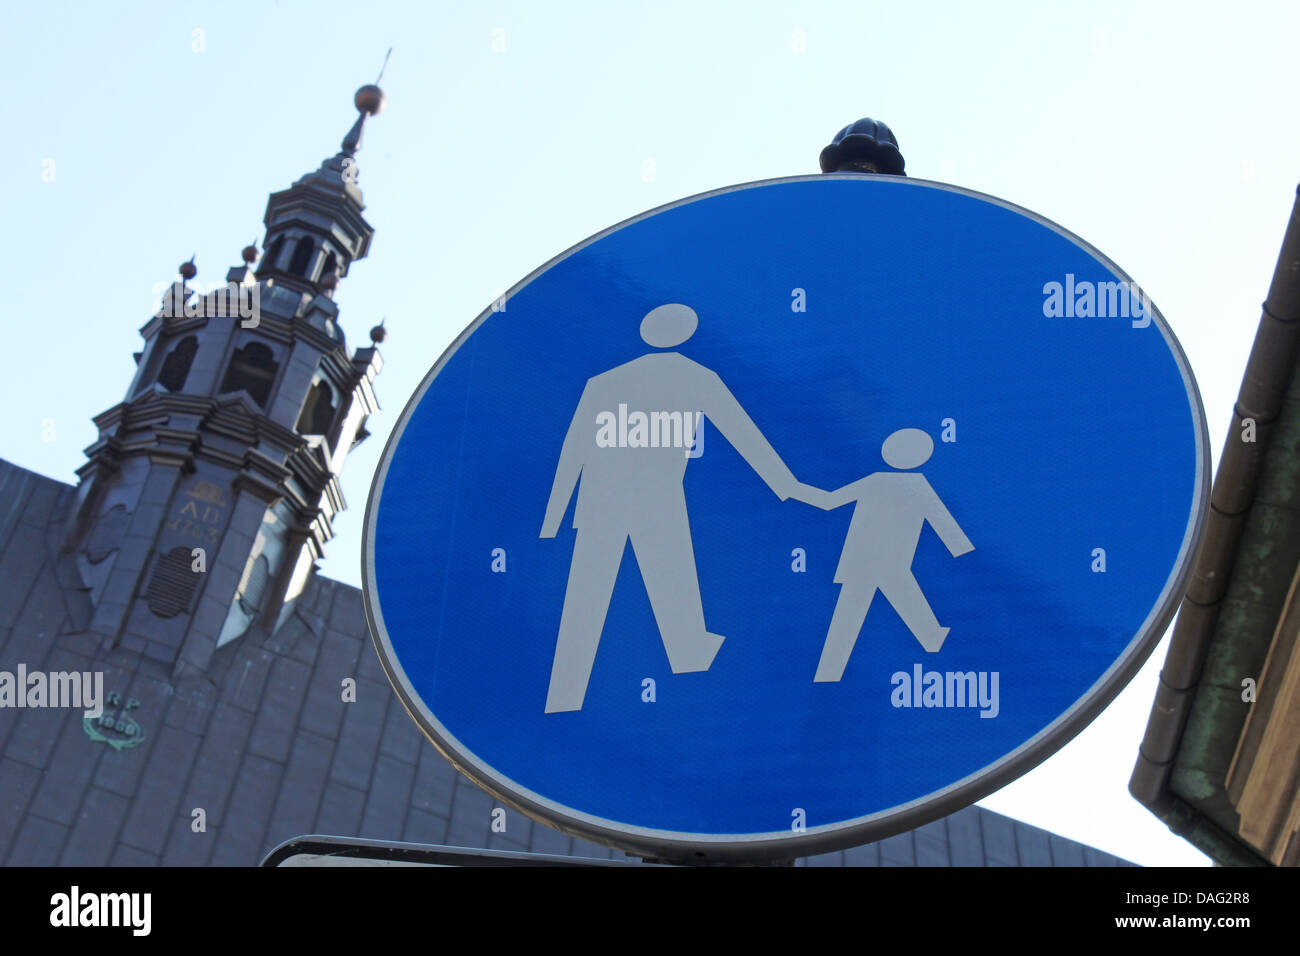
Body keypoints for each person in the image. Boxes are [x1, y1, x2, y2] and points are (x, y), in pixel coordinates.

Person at [540, 303, 799, 713]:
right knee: (673, 584)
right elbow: (744, 437)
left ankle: (563, 696)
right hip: (656, 498)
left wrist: (552, 519)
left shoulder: (605, 381)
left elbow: (573, 452)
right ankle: (693, 677)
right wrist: (787, 487)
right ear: (686, 333)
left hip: (599, 501)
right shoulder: (696, 377)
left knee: (585, 600)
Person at [792, 427, 973, 681]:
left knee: (853, 613)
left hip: (864, 562)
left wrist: (797, 489)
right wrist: (961, 550)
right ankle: (932, 639)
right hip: (887, 563)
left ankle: (829, 670)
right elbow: (946, 526)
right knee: (895, 603)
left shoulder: (877, 481)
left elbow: (829, 501)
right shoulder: (916, 485)